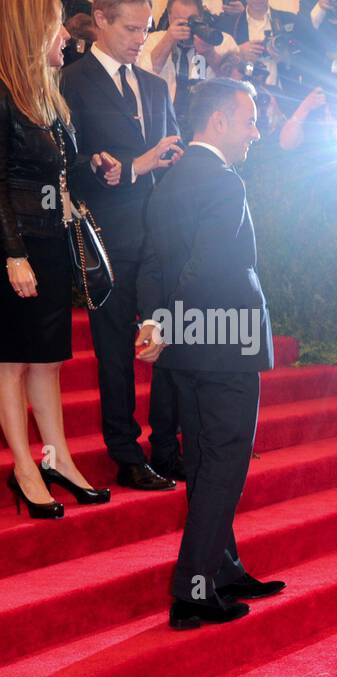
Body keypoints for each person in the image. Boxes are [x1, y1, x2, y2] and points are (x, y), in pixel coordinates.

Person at [135, 77, 282, 629]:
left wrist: (155, 321)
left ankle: (222, 569)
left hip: (187, 350)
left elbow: (151, 263)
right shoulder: (223, 183)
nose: (255, 131)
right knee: (223, 464)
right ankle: (194, 590)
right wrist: (169, 321)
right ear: (218, 121)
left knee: (203, 461)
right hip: (225, 343)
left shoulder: (168, 181)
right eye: (248, 120)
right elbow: (210, 265)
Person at [2, 0, 120, 519]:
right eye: (57, 31)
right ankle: (25, 468)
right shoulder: (4, 96)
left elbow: (63, 174)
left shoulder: (49, 97)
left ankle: (58, 459)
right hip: (18, 247)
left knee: (48, 361)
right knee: (11, 361)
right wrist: (11, 254)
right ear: (31, 35)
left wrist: (96, 163)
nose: (68, 40)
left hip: (52, 243)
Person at [61, 0, 185, 490]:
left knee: (169, 341)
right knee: (115, 353)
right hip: (107, 242)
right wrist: (130, 166)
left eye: (146, 28)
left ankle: (168, 447)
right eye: (131, 29)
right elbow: (66, 166)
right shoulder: (72, 81)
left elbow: (171, 149)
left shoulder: (154, 85)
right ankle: (126, 454)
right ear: (101, 21)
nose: (140, 38)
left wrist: (172, 159)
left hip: (163, 239)